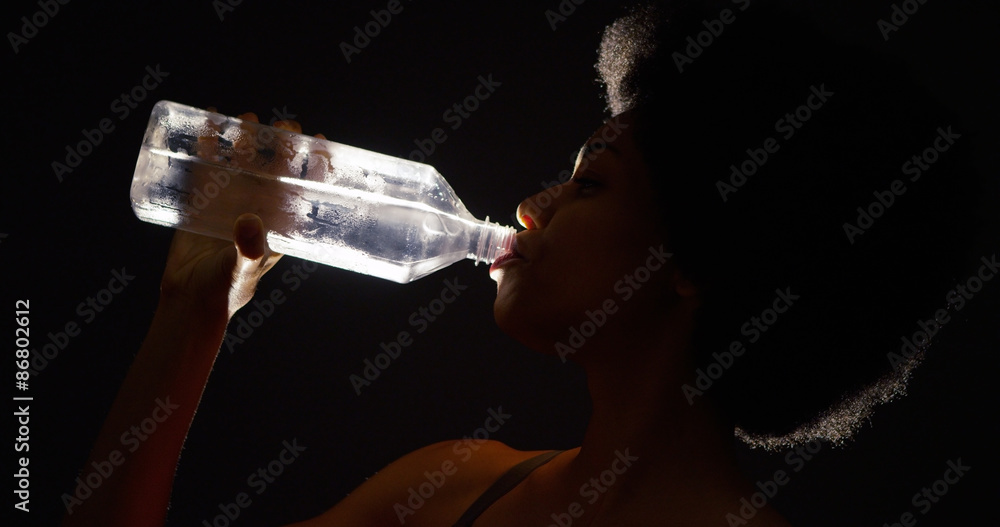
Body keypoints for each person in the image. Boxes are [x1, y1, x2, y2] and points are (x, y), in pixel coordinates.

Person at [64, 1, 985, 525]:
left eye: (590, 186)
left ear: (694, 260)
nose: (530, 207)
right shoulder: (460, 484)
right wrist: (193, 313)